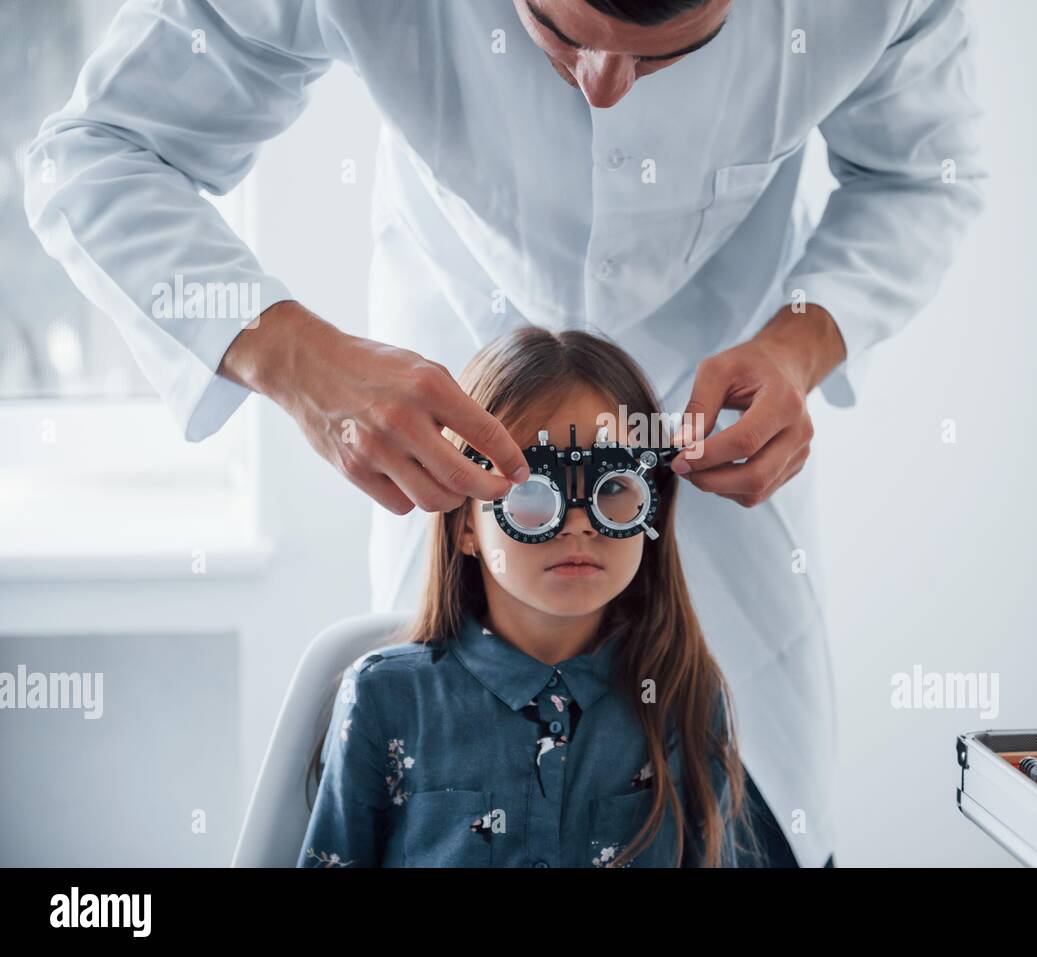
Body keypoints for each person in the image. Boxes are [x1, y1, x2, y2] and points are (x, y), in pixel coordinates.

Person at [25, 0, 986, 867]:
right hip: (445, 406)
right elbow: (97, 151)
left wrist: (803, 341)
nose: (606, 90)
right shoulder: (386, 712)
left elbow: (922, 174)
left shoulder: (707, 704)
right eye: (563, 35)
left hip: (732, 540)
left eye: (662, 60)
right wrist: (294, 356)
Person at [299, 326, 758, 867]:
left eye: (613, 490)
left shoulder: (683, 697)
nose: (580, 525)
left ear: (648, 509)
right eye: (532, 493)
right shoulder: (388, 699)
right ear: (465, 524)